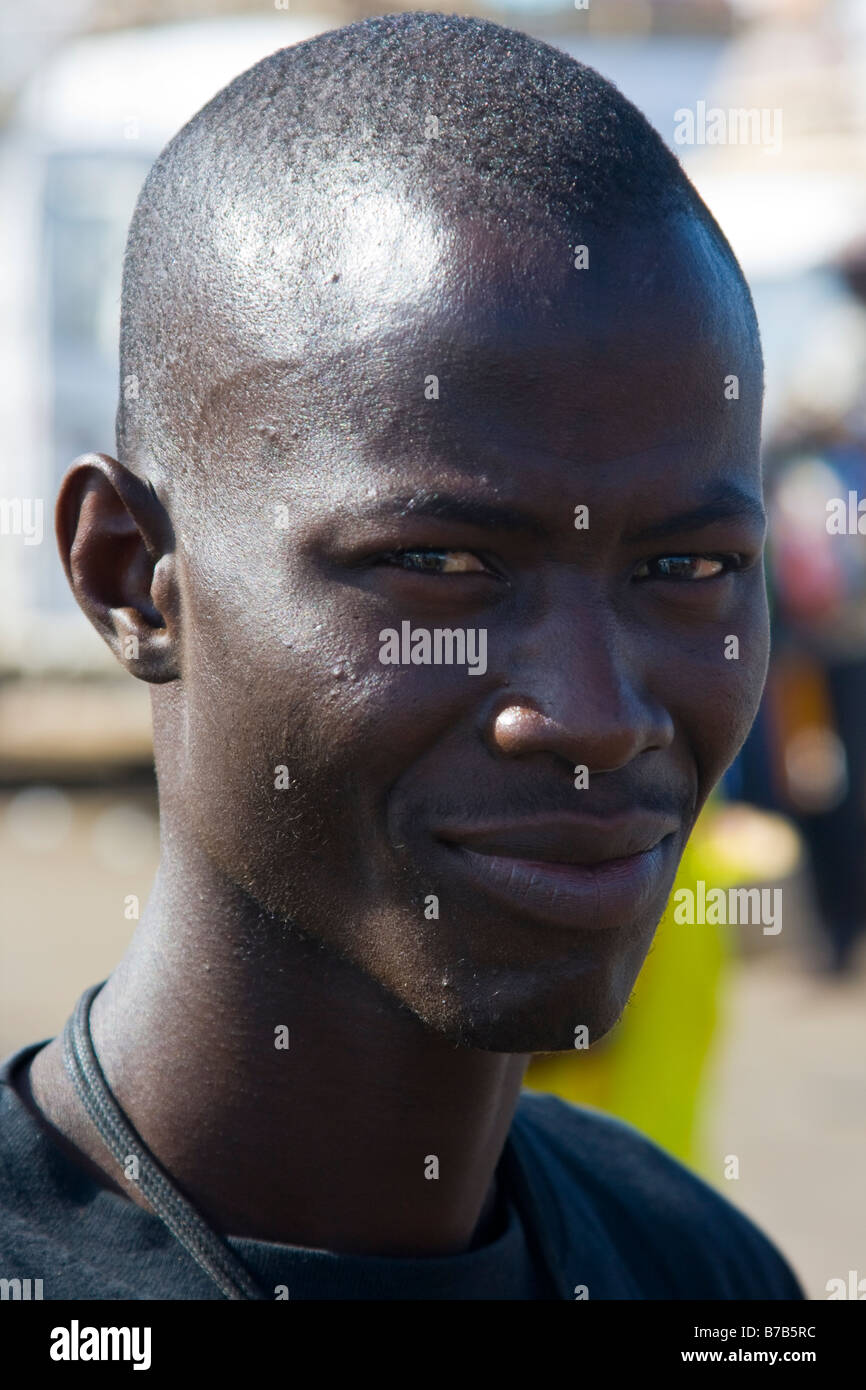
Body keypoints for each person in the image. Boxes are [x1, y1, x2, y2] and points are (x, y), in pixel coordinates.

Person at [0, 13, 803, 1300]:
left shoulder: (702, 1274)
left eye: (684, 568)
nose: (592, 717)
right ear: (128, 578)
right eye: (438, 566)